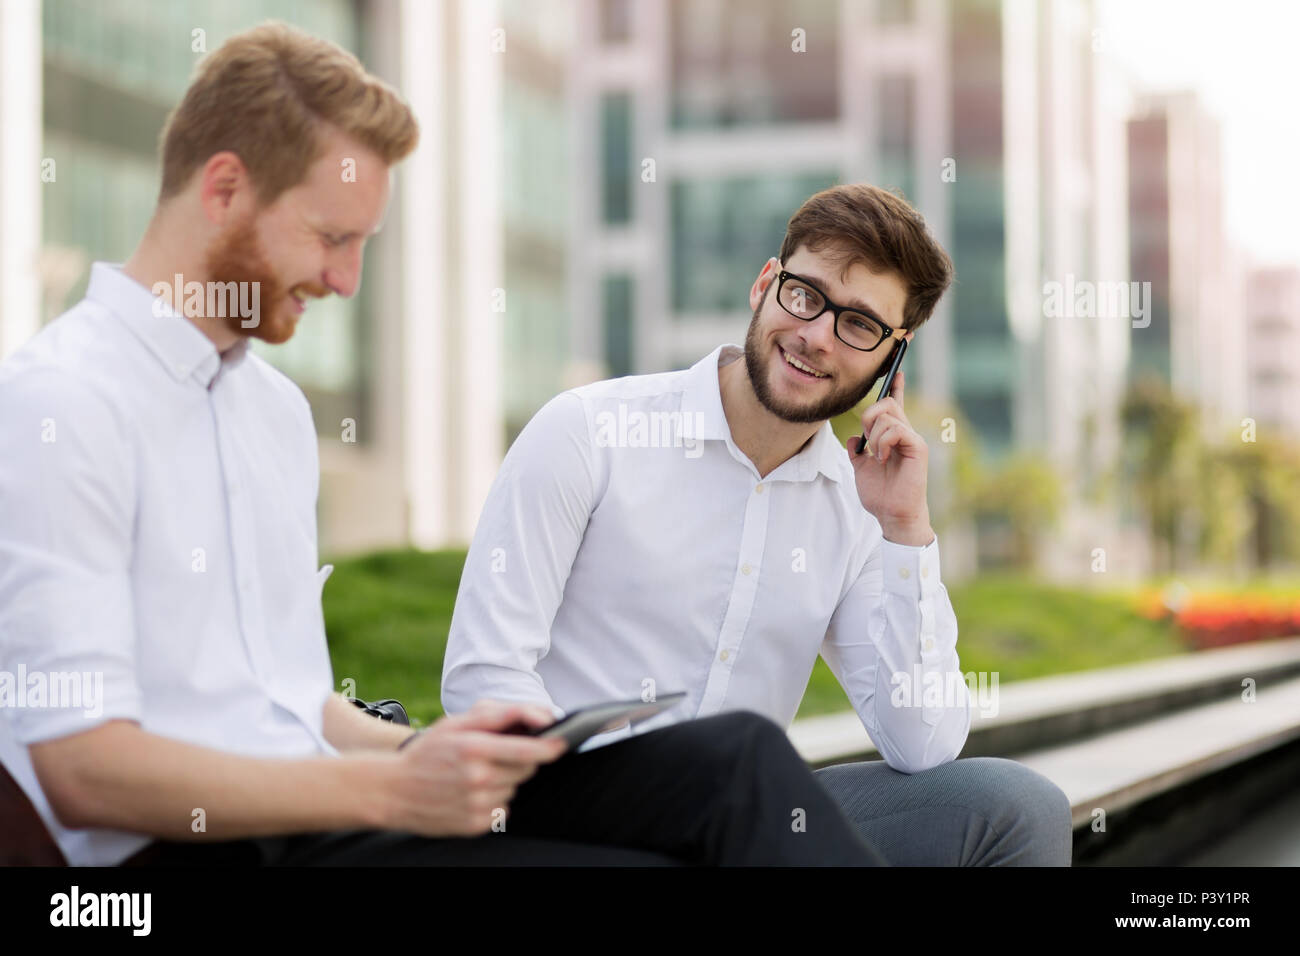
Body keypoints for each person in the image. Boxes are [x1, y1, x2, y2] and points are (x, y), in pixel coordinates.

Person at [0, 21, 884, 867]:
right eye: (330, 237)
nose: (344, 280)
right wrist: (389, 794)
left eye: (361, 246)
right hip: (201, 855)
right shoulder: (64, 404)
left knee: (729, 765)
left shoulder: (268, 411)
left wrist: (441, 750)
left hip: (325, 818)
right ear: (224, 187)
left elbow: (292, 702)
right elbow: (81, 771)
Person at [442, 183, 1074, 865]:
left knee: (1016, 808)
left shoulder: (858, 508)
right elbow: (483, 675)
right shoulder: (589, 433)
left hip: (748, 828)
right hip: (575, 818)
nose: (814, 337)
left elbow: (922, 742)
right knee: (739, 775)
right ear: (766, 284)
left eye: (858, 324)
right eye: (805, 296)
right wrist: (644, 794)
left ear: (894, 355)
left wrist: (905, 531)